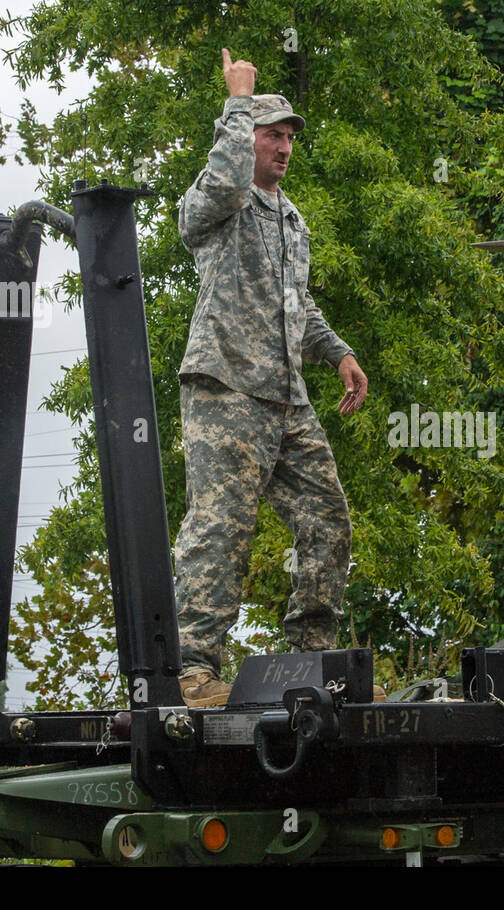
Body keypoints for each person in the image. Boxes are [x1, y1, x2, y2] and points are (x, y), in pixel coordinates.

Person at [174, 48, 369, 707]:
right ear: (243, 137)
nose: (284, 147)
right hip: (227, 387)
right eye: (272, 134)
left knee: (328, 516)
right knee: (221, 525)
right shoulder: (217, 204)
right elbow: (225, 184)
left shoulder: (291, 220)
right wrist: (237, 98)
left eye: (289, 137)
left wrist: (337, 351)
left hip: (286, 398)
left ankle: (311, 666)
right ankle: (195, 667)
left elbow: (298, 303)